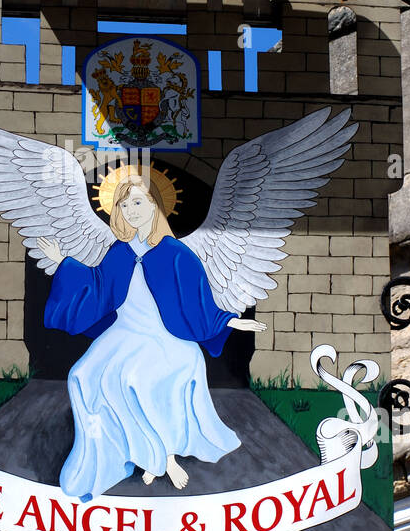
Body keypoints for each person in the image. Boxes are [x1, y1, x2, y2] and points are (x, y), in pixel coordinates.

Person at [37, 174, 264, 502]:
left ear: (156, 206)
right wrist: (63, 263)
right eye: (124, 204)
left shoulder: (175, 253)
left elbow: (199, 301)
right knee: (81, 376)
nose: (130, 209)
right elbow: (98, 285)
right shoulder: (120, 250)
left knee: (133, 378)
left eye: (138, 202)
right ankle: (139, 454)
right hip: (124, 334)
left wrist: (231, 323)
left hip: (164, 338)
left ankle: (162, 458)